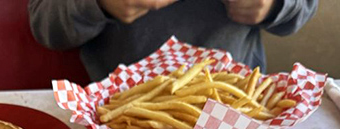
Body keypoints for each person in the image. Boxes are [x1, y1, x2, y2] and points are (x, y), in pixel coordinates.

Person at [29, 0, 318, 82]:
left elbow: (304, 8)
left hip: (238, 111)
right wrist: (98, 5)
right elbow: (44, 24)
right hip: (120, 120)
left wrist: (275, 5)